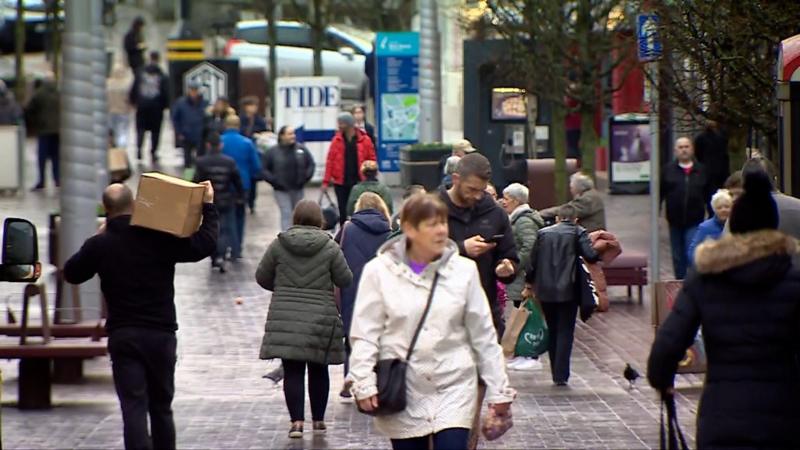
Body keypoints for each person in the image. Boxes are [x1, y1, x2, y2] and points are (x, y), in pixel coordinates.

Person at [348, 194, 515, 450]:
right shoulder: (379, 272)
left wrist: (499, 390)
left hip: (454, 384)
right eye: (431, 224)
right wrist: (363, 382)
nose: (440, 231)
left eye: (443, 223)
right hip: (404, 386)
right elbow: (365, 333)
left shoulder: (463, 271)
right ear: (409, 229)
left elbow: (483, 335)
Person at [647, 169, 800, 449]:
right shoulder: (793, 274)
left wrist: (662, 379)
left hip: (722, 416)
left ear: (735, 226)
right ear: (773, 228)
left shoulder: (706, 275)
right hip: (784, 417)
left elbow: (669, 342)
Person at [63, 182, 218, 450]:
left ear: (106, 210)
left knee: (133, 406)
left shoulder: (101, 244)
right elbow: (204, 245)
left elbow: (72, 272)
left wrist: (97, 236)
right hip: (160, 335)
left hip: (124, 336)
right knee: (161, 407)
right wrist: (209, 206)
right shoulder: (158, 237)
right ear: (134, 205)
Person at [256, 200, 353, 439]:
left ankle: (296, 423)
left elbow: (261, 276)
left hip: (286, 315)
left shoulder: (279, 244)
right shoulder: (330, 247)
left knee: (293, 371)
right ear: (320, 220)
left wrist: (282, 287)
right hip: (321, 315)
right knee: (319, 369)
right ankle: (318, 421)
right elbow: (345, 278)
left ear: (295, 219)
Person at [439, 152, 518, 337]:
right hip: (441, 312)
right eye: (471, 189)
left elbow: (510, 254)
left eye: (481, 190)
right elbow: (417, 260)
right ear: (456, 179)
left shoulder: (495, 214)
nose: (476, 196)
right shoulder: (433, 209)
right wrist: (461, 248)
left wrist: (506, 268)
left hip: (484, 310)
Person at [524, 204, 600, 385]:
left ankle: (554, 371)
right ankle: (561, 375)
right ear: (576, 219)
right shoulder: (578, 232)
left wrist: (529, 283)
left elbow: (531, 262)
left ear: (558, 218)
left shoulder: (543, 233)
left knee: (552, 328)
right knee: (566, 330)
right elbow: (590, 255)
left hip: (546, 289)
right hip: (569, 289)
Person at [335, 192, 391, 401]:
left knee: (353, 336)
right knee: (379, 334)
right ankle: (374, 380)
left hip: (351, 286)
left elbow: (335, 250)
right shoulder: (388, 230)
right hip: (380, 288)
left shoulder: (348, 228)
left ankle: (351, 379)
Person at [193, 132, 244, 272]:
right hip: (226, 200)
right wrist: (241, 196)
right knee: (224, 230)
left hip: (209, 201)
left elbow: (196, 181)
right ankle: (221, 255)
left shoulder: (201, 162)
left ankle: (214, 256)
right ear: (221, 145)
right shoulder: (229, 162)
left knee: (210, 228)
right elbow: (237, 181)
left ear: (207, 145)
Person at [660, 137, 710, 279]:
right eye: (680, 147)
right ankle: (680, 283)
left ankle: (693, 282)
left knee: (691, 252)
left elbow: (708, 193)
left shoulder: (701, 170)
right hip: (674, 220)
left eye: (686, 146)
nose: (684, 150)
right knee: (677, 256)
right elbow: (661, 191)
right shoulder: (668, 170)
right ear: (676, 150)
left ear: (692, 149)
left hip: (695, 219)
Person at [322, 112, 377, 226]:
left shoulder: (365, 140)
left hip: (359, 181)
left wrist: (371, 176)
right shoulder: (336, 140)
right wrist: (326, 182)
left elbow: (371, 159)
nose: (339, 126)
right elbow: (330, 161)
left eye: (341, 123)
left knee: (359, 209)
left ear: (348, 124)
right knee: (343, 210)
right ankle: (343, 234)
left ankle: (358, 230)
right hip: (340, 182)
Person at [222, 115, 262, 259]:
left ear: (225, 125)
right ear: (239, 126)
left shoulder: (220, 142)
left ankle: (226, 246)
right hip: (243, 185)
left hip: (224, 185)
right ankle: (237, 247)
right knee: (240, 216)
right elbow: (256, 166)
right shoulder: (247, 143)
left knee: (226, 217)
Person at [262, 126, 315, 231]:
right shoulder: (272, 152)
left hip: (298, 188)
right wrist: (274, 181)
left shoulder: (301, 149)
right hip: (281, 190)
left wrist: (306, 177)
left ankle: (298, 236)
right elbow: (264, 169)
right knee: (286, 213)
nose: (293, 136)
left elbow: (311, 164)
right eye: (290, 134)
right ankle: (287, 238)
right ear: (282, 136)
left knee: (298, 214)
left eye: (293, 133)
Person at [501, 183, 544, 309]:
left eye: (506, 199)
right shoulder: (516, 218)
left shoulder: (523, 221)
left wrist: (514, 266)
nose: (503, 202)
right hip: (520, 277)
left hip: (522, 277)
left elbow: (530, 248)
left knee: (523, 312)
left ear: (516, 201)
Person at [129, 51, 169, 164]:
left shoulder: (141, 72)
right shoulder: (162, 74)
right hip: (157, 108)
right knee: (155, 132)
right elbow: (166, 92)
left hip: (142, 106)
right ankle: (153, 152)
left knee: (140, 129)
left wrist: (134, 101)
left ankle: (139, 150)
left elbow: (134, 88)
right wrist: (165, 105)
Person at [25, 76, 60, 191]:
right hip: (57, 131)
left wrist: (35, 123)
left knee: (42, 157)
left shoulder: (39, 94)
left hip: (44, 130)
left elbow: (28, 109)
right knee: (56, 157)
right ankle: (57, 179)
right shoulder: (59, 94)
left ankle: (41, 181)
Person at [540, 173, 606, 232]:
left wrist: (541, 213)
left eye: (571, 187)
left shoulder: (586, 199)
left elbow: (567, 210)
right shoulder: (591, 195)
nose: (571, 190)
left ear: (579, 188)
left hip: (589, 233)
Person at [687, 189, 732, 267]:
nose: (723, 210)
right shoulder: (705, 227)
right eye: (719, 207)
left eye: (727, 207)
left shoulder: (738, 225)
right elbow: (692, 253)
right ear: (714, 210)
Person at [171, 82, 208, 168]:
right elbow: (175, 119)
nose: (194, 93)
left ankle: (199, 178)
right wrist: (179, 132)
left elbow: (208, 119)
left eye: (195, 90)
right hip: (186, 135)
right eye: (192, 90)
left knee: (200, 159)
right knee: (187, 160)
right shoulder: (181, 103)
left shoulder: (204, 103)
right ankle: (187, 178)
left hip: (200, 135)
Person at [694, 119, 729, 195]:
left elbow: (698, 154)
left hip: (707, 170)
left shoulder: (700, 138)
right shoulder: (721, 138)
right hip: (718, 171)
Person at [107, 64, 132, 149]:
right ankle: (121, 149)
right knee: (122, 131)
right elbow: (129, 99)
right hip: (123, 111)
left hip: (110, 112)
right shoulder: (125, 85)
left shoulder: (107, 84)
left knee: (112, 131)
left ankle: (113, 147)